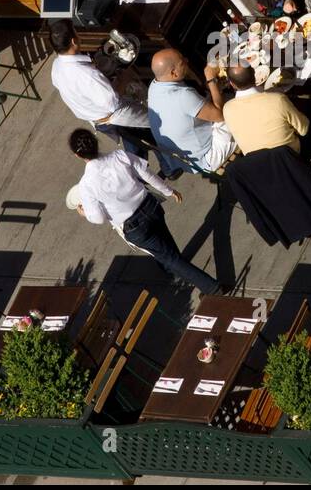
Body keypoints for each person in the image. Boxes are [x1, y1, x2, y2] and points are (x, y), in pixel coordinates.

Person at [65, 129, 220, 294]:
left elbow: (98, 218)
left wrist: (85, 213)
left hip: (134, 227)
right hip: (150, 206)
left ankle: (211, 287)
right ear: (96, 143)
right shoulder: (120, 156)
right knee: (166, 242)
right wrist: (169, 191)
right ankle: (174, 268)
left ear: (78, 155)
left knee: (169, 258)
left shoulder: (86, 185)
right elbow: (147, 174)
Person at [48, 19, 179, 176]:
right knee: (153, 129)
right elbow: (112, 102)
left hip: (98, 119)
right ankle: (150, 172)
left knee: (136, 140)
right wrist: (124, 77)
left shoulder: (57, 67)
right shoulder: (86, 74)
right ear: (73, 40)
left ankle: (149, 172)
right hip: (114, 114)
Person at [147, 49, 237, 173]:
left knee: (223, 96)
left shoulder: (154, 86)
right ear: (173, 73)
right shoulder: (182, 96)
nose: (186, 60)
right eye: (182, 62)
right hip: (207, 157)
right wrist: (210, 78)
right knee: (238, 104)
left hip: (188, 157)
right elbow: (220, 115)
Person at [221, 65, 309, 155]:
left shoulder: (227, 109)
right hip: (292, 159)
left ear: (232, 84)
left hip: (259, 166)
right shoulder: (277, 100)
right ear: (254, 74)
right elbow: (303, 129)